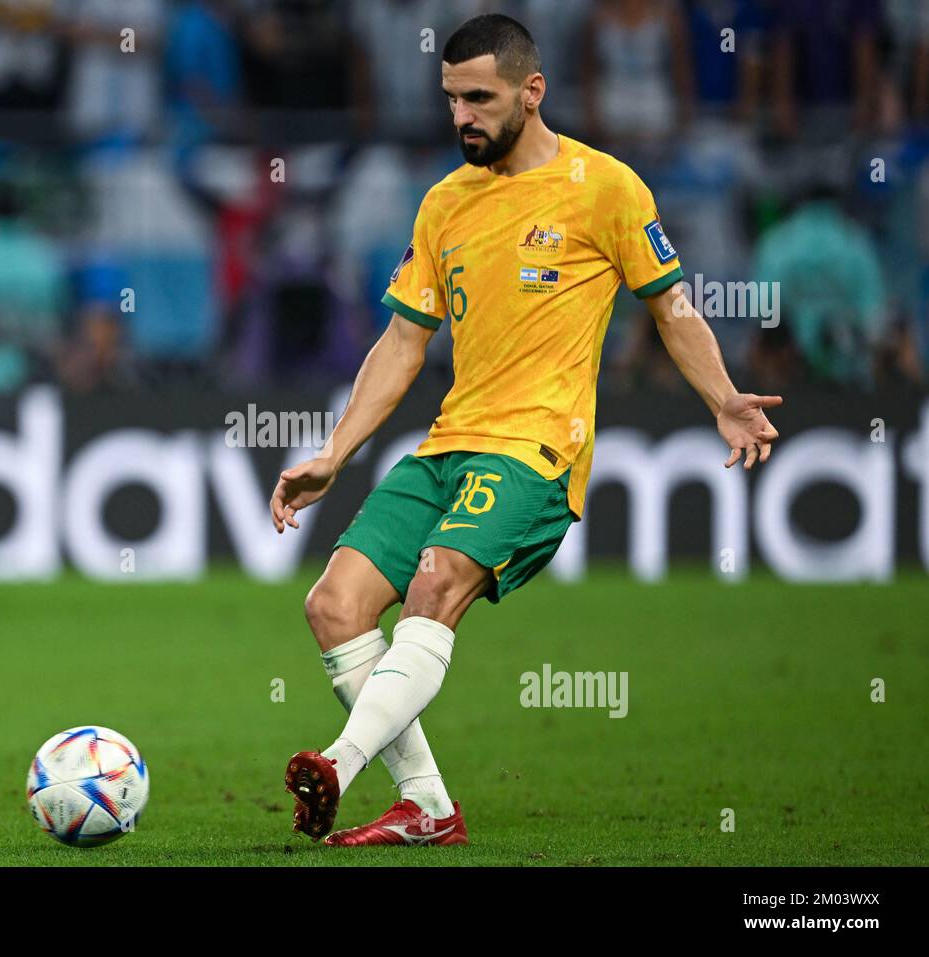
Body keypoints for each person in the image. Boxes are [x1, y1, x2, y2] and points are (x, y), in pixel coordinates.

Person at [268, 13, 782, 847]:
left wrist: (723, 397)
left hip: (538, 452)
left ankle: (337, 762)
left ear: (531, 90)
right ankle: (428, 808)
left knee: (436, 583)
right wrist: (333, 452)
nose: (461, 116)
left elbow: (671, 307)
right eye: (451, 99)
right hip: (447, 445)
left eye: (480, 98)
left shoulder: (605, 187)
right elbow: (402, 342)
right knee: (333, 604)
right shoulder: (444, 203)